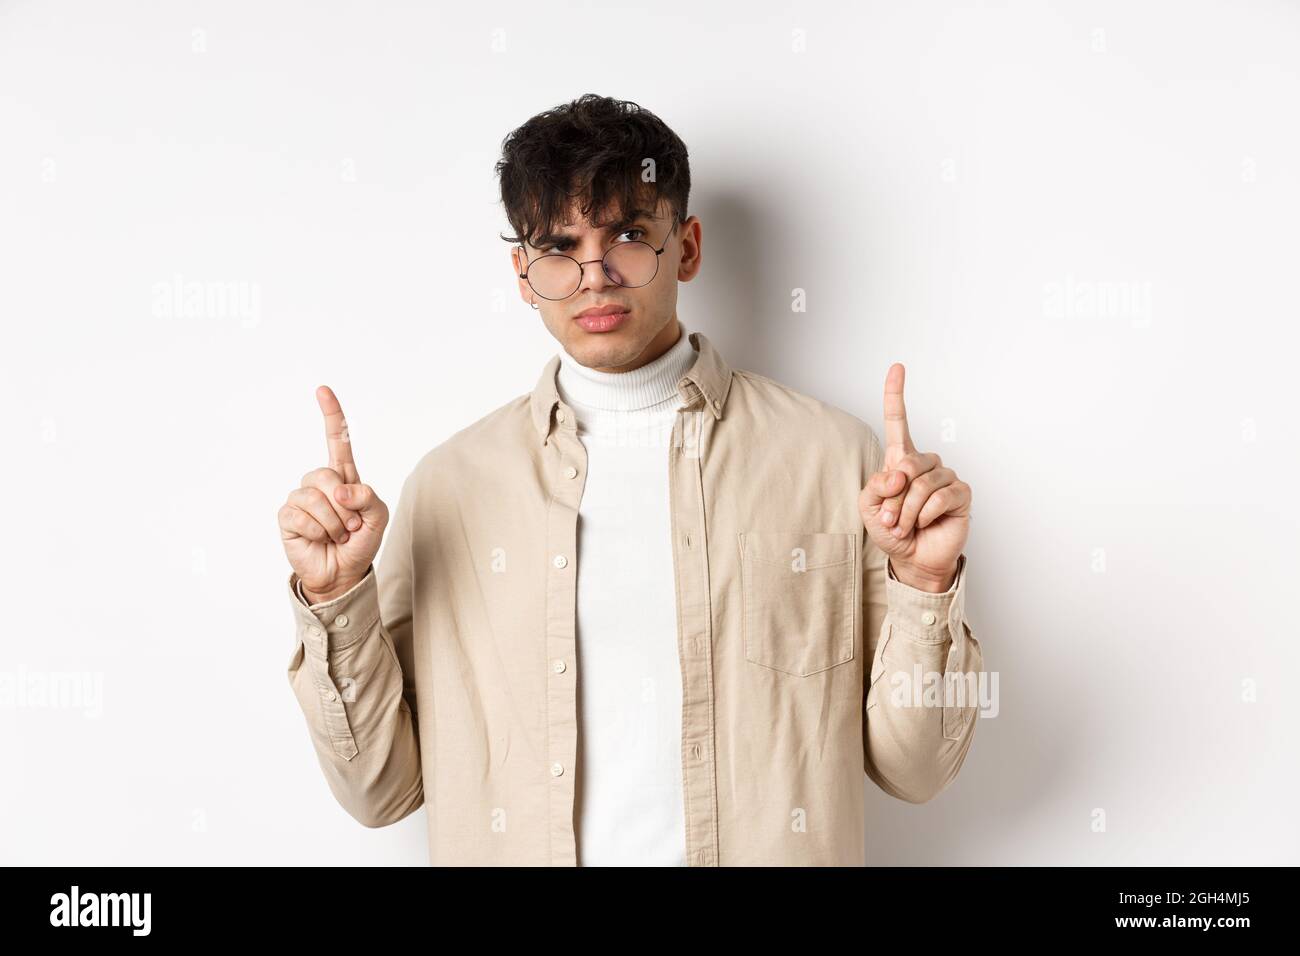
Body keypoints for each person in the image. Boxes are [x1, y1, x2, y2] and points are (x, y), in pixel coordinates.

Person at [278, 94, 984, 866]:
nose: (595, 276)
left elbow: (915, 773)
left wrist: (922, 580)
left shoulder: (833, 461)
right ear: (523, 272)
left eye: (628, 236)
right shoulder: (451, 488)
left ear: (686, 248)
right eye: (558, 246)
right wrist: (337, 600)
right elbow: (379, 792)